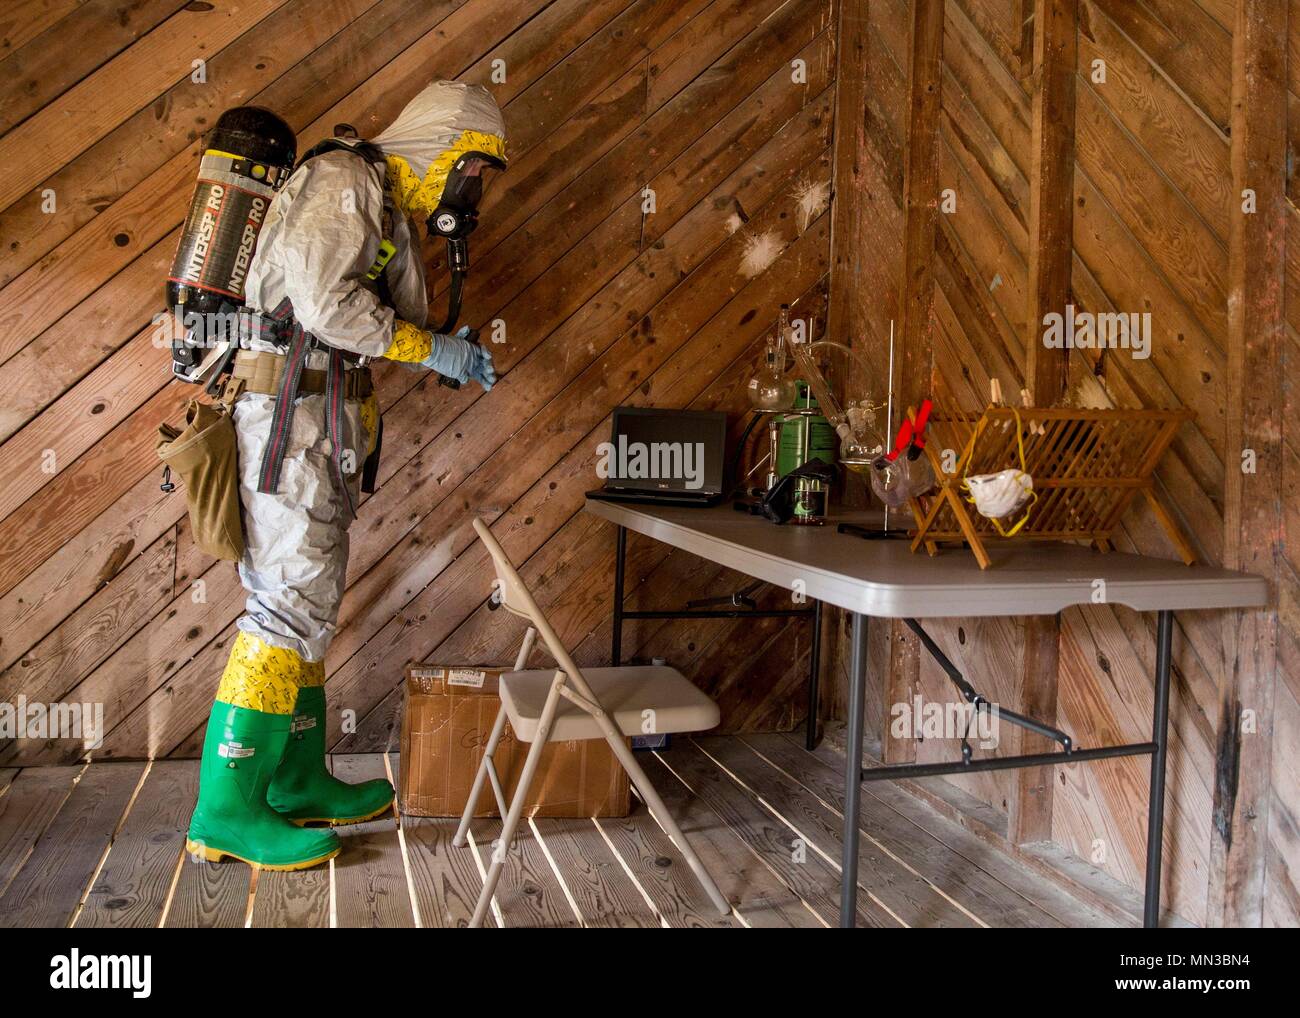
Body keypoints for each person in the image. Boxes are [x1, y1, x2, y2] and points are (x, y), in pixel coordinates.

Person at [185, 80, 506, 871]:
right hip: (286, 424)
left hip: (317, 425)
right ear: (441, 146)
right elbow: (327, 306)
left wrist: (437, 337)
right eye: (469, 169)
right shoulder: (347, 181)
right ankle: (223, 811)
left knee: (309, 603)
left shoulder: (383, 203)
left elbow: (382, 314)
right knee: (285, 604)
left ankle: (292, 782)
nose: (469, 189)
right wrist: (433, 350)